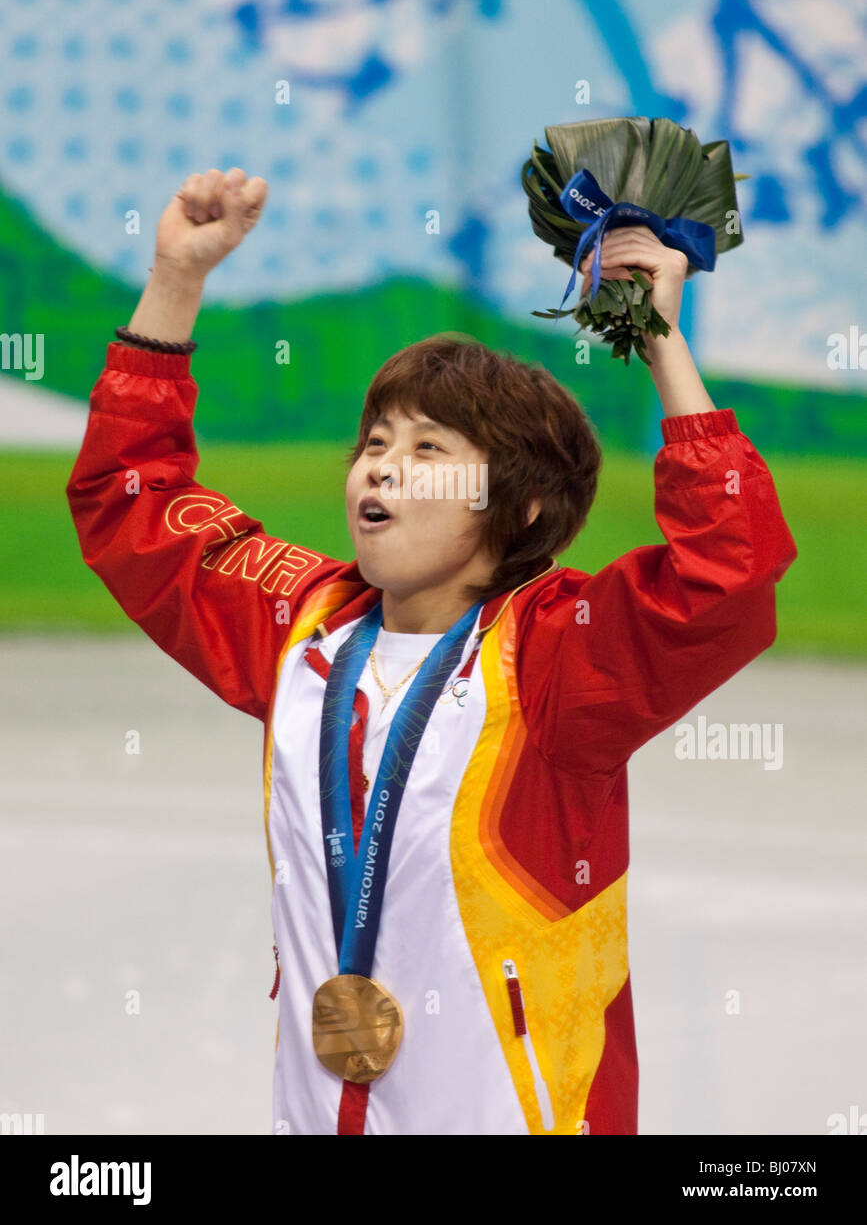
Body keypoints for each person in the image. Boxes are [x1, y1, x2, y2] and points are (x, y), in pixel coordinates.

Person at [66, 167, 798, 1136]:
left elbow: (727, 575)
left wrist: (659, 342)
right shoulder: (302, 621)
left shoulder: (555, 657)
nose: (379, 465)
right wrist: (174, 281)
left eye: (429, 450)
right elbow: (132, 499)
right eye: (374, 442)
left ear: (520, 505)